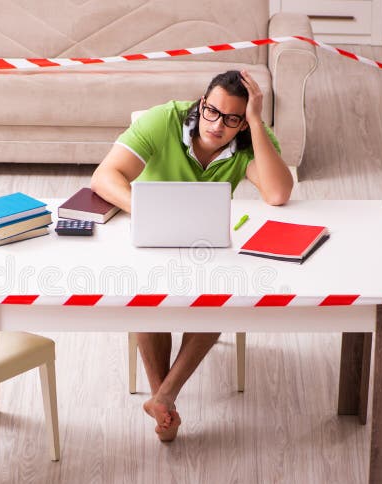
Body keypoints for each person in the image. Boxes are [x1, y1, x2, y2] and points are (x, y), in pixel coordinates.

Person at [90, 70, 293, 442]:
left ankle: (163, 399)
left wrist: (257, 124)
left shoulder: (250, 140)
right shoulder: (164, 119)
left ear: (242, 124)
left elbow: (277, 193)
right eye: (213, 112)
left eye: (233, 119)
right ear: (202, 104)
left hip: (205, 245)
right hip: (150, 236)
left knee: (219, 301)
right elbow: (104, 176)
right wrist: (147, 211)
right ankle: (163, 402)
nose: (217, 126)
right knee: (144, 301)